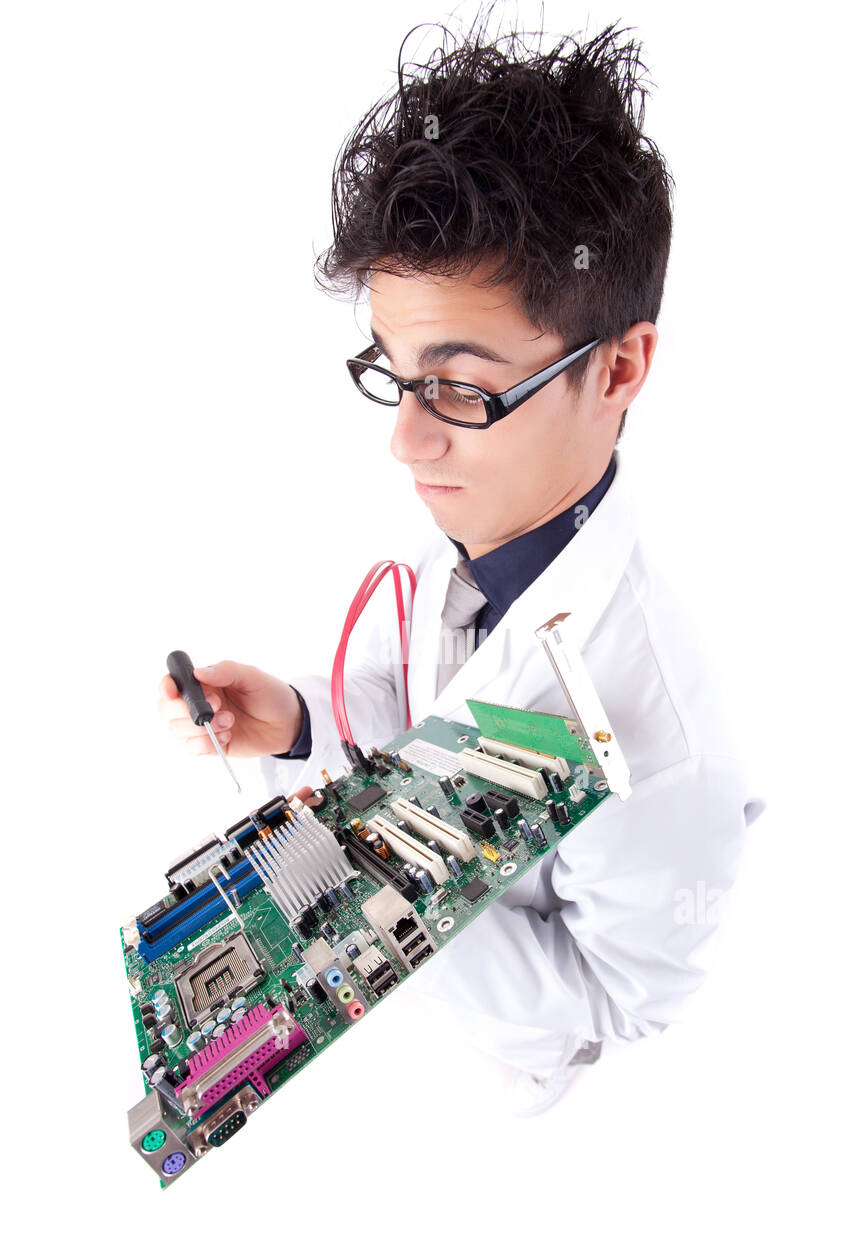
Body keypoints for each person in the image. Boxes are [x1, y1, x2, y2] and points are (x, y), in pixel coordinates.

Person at [158, 19, 764, 1116]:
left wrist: (377, 905)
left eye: (462, 388)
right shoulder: (482, 530)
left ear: (620, 365)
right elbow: (422, 718)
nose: (406, 441)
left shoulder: (663, 736)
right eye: (395, 377)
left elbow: (626, 1021)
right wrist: (300, 724)